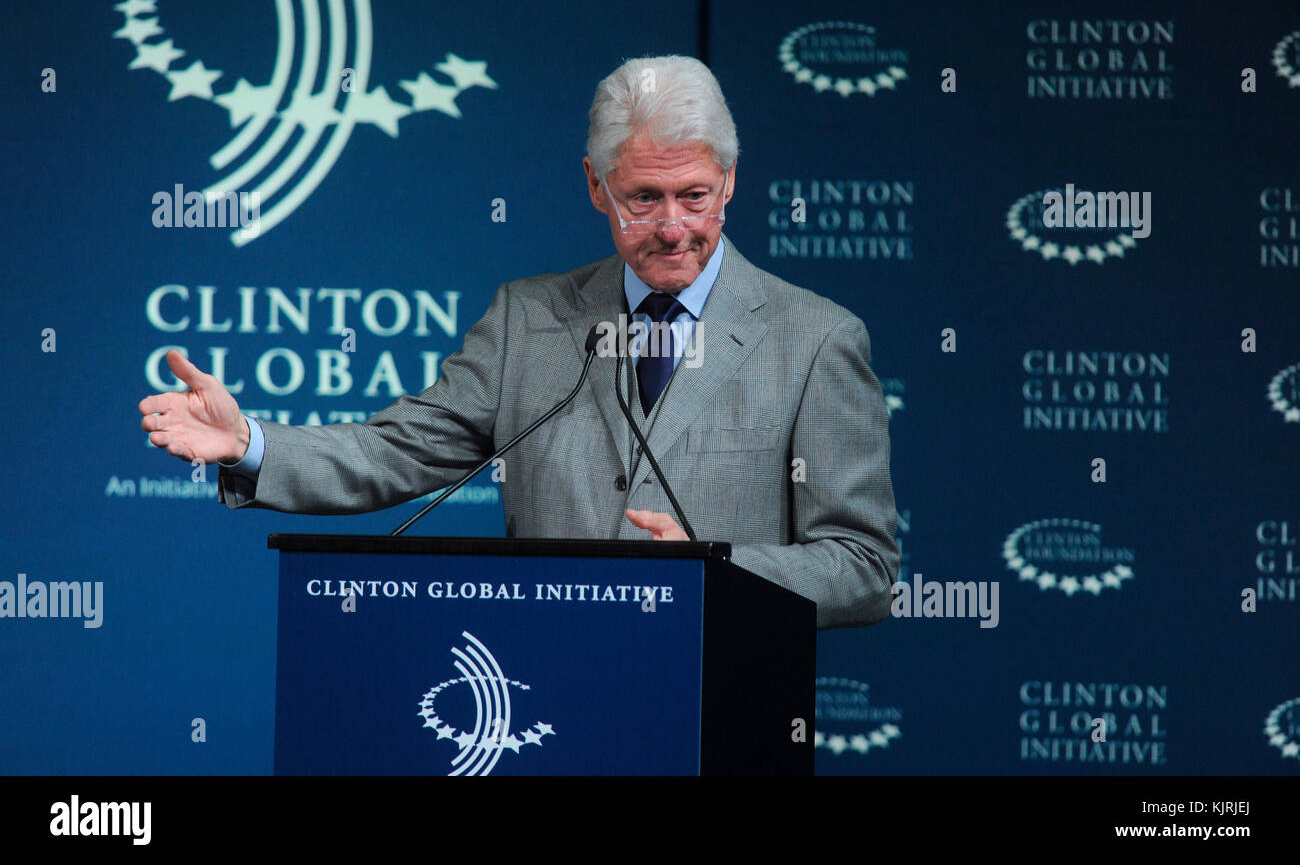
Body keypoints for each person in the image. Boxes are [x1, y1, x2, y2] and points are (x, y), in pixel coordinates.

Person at [138, 55, 898, 629]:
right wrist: (249, 444)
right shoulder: (528, 321)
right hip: (538, 704)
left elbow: (863, 568)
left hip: (717, 717)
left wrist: (715, 573)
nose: (672, 226)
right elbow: (396, 453)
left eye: (694, 196)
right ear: (596, 187)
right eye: (643, 198)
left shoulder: (814, 341)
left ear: (729, 182)